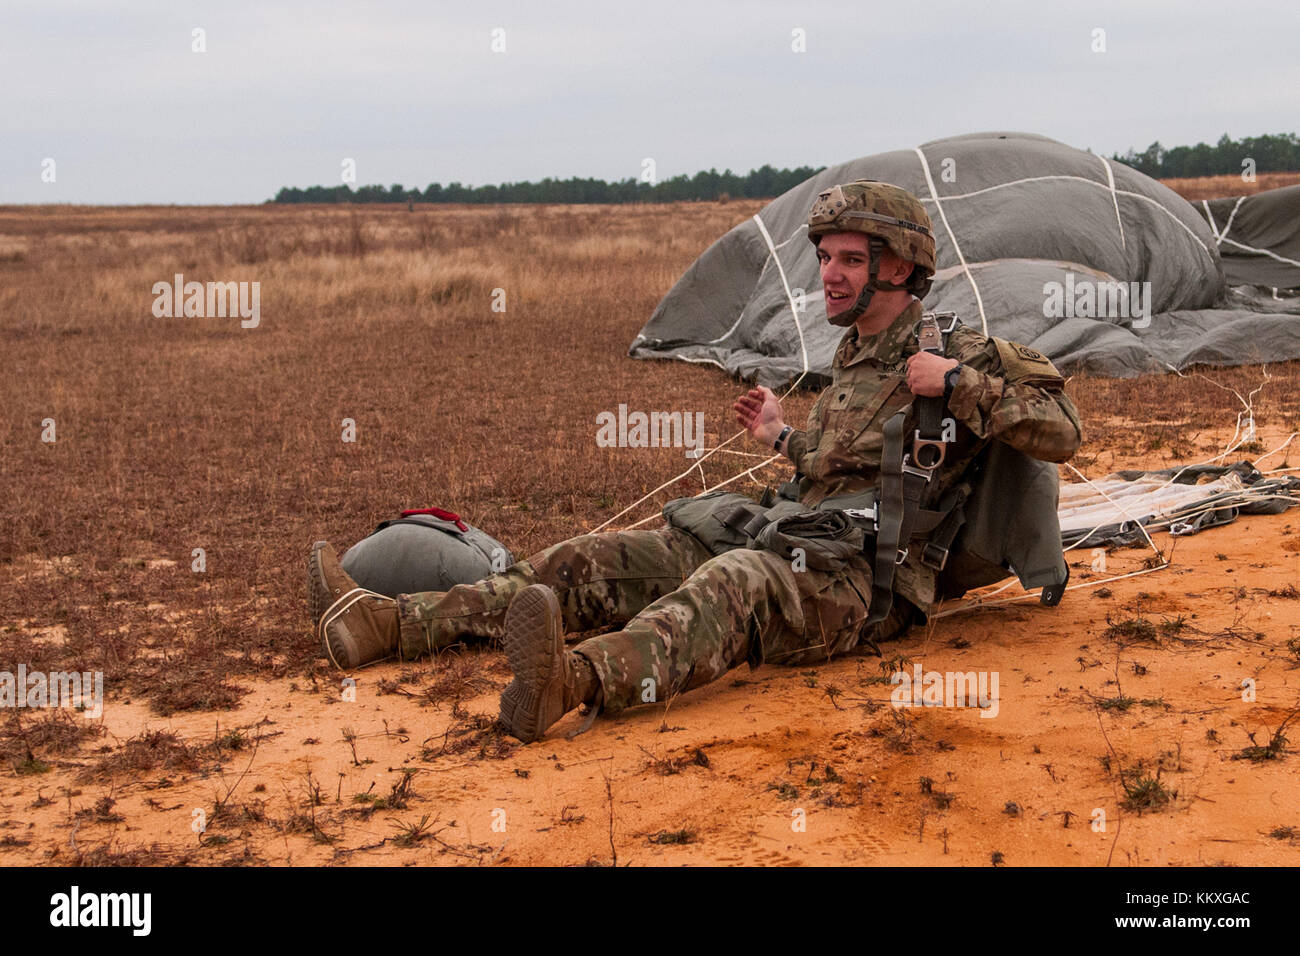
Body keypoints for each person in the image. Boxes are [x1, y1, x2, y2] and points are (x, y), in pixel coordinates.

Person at [308, 180, 1083, 743]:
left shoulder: (956, 350)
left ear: (903, 269)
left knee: (730, 585)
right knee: (593, 558)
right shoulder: (853, 355)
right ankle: (389, 626)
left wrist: (959, 385)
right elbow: (836, 465)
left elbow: (1062, 428)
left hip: (864, 579)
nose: (830, 275)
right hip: (790, 528)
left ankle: (568, 684)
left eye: (851, 259)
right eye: (826, 257)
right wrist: (784, 436)